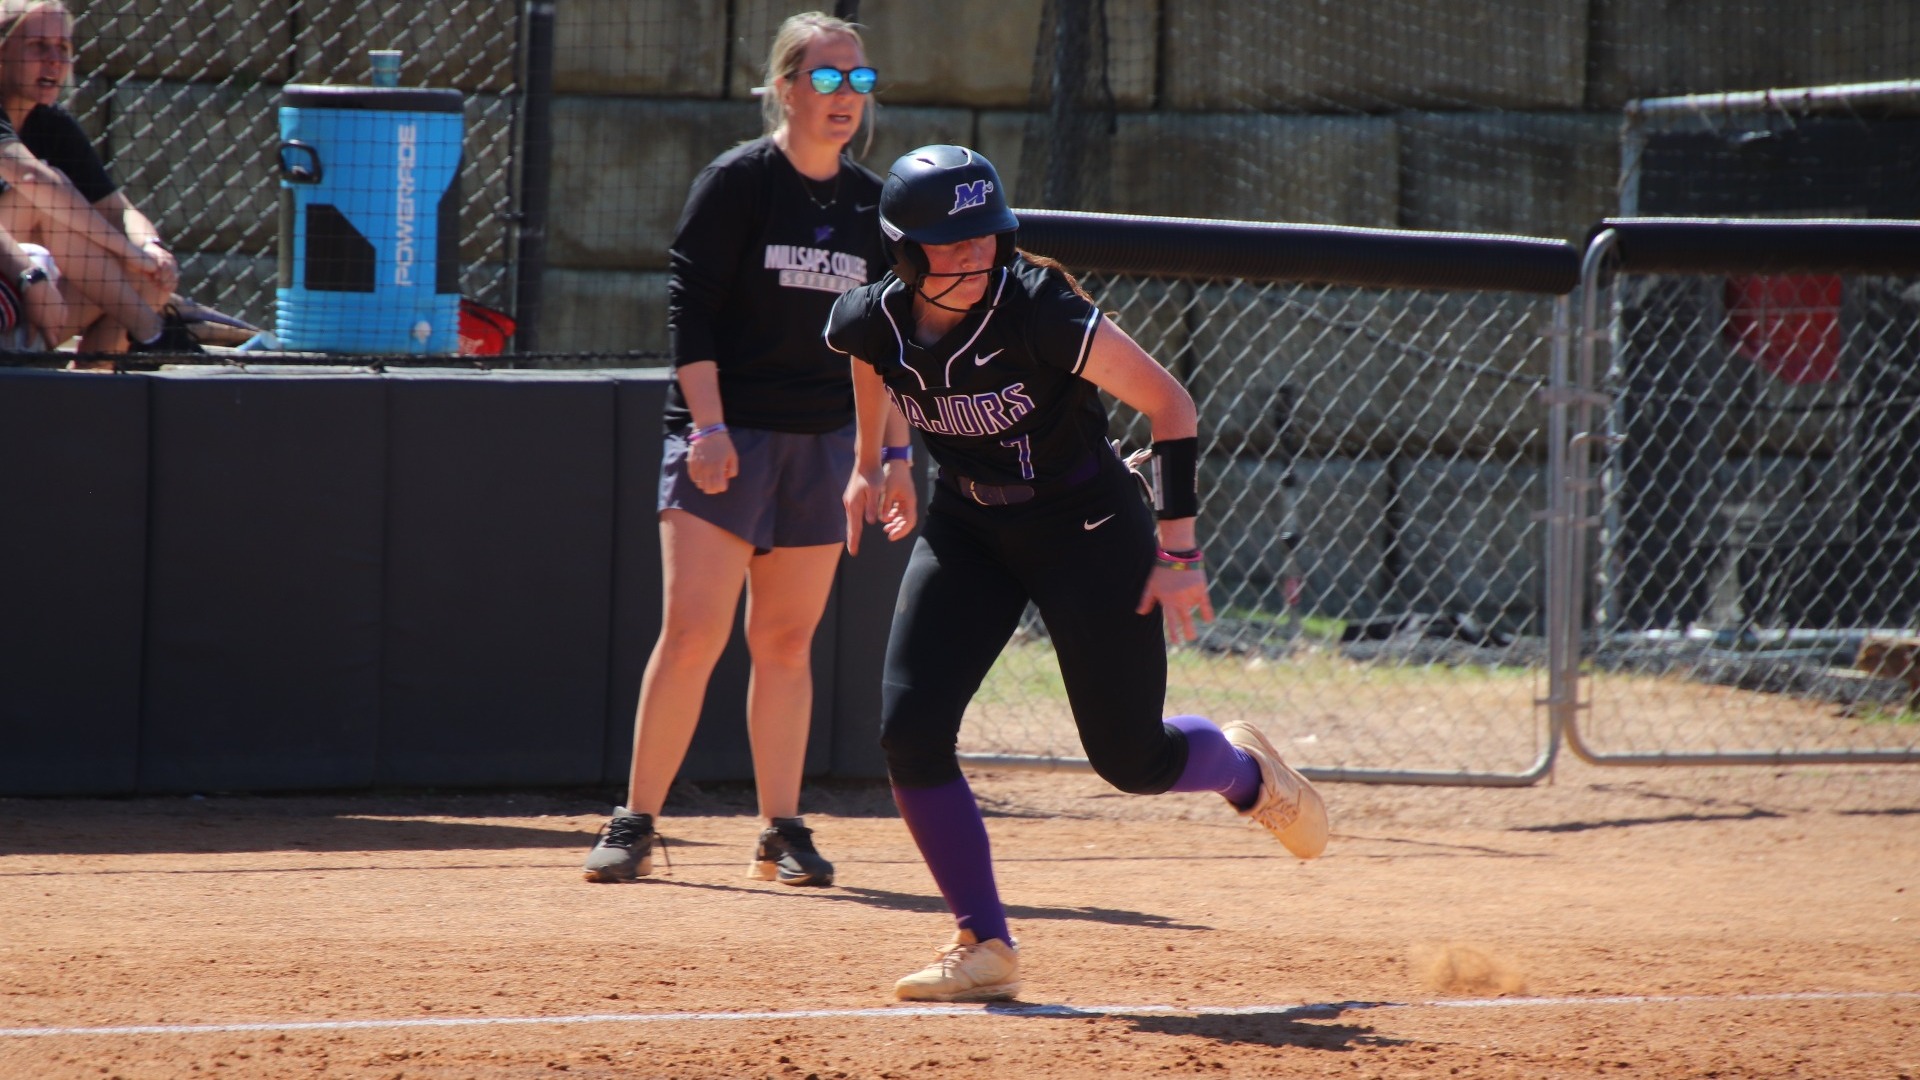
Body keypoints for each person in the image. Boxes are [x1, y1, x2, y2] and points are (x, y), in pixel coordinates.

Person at [828, 144, 1330, 1002]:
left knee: (1132, 760)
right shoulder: (872, 315)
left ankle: (1247, 773)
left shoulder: (1039, 309)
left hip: (1087, 524)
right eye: (950, 246)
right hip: (969, 526)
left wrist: (1178, 553)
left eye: (986, 238)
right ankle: (984, 943)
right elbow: (871, 358)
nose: (975, 256)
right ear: (904, 256)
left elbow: (1170, 404)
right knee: (909, 734)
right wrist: (882, 459)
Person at [581, 12, 892, 888]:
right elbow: (692, 313)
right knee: (692, 636)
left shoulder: (874, 204)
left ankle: (781, 830)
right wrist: (708, 430)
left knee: (786, 643)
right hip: (727, 434)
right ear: (786, 86)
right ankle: (634, 822)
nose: (844, 99)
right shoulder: (738, 182)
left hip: (823, 442)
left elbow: (886, 347)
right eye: (826, 79)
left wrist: (890, 457)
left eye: (858, 82)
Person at [0, 0, 195, 355]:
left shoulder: (52, 124)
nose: (54, 61)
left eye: (63, 48)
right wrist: (126, 250)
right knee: (41, 200)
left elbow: (118, 209)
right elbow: (31, 178)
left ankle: (94, 393)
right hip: (18, 279)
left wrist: (149, 248)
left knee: (147, 279)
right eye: (38, 46)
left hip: (29, 306)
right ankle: (154, 334)